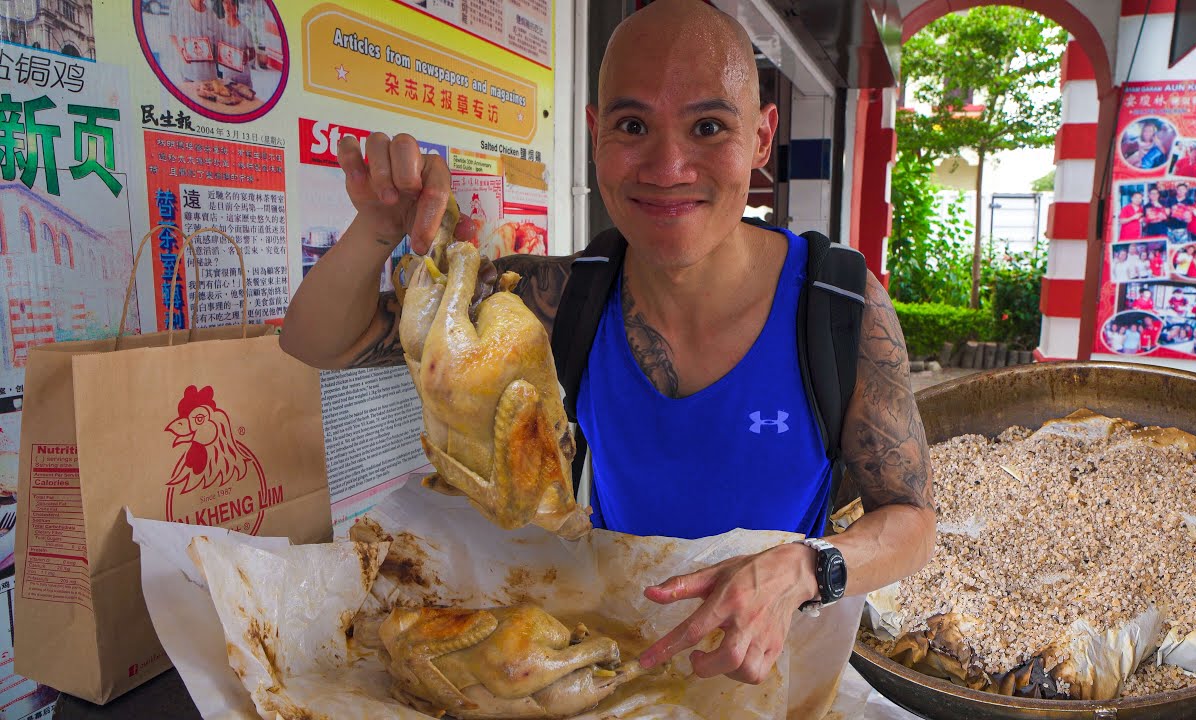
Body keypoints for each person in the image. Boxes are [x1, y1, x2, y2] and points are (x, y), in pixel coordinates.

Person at [279, 0, 935, 686]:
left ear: (762, 137)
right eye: (632, 126)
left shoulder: (837, 305)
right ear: (595, 136)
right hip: (615, 663)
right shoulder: (563, 297)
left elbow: (911, 521)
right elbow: (320, 340)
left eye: (708, 126)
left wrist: (805, 568)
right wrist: (379, 229)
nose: (667, 164)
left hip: (774, 669)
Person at [169, 0, 220, 84]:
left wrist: (215, 56)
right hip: (188, 75)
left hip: (210, 77)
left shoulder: (212, 16)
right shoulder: (178, 4)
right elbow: (172, 34)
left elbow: (217, 45)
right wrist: (181, 52)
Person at [215, 0, 256, 89]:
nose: (229, 6)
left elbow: (253, 53)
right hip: (227, 75)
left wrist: (247, 57)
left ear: (237, 7)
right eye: (226, 3)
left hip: (243, 75)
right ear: (222, 4)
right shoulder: (218, 25)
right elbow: (216, 48)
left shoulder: (245, 30)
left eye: (232, 3)